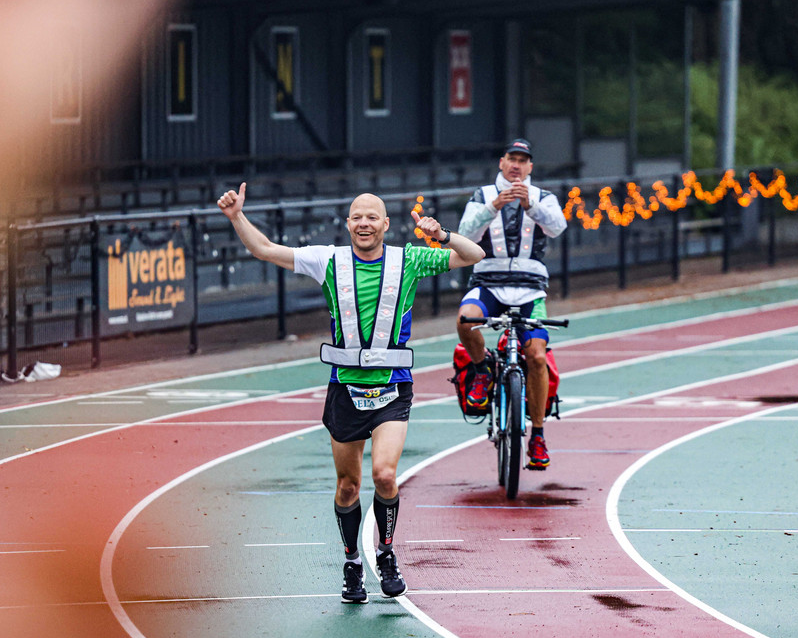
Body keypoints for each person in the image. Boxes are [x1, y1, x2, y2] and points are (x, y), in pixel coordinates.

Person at [217, 183, 483, 604]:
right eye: (357, 216)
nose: (364, 223)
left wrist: (442, 235)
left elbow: (473, 256)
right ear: (347, 224)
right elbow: (266, 249)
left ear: (386, 224)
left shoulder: (409, 259)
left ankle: (386, 552)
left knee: (385, 475)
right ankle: (352, 562)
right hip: (346, 389)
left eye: (372, 217)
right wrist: (236, 217)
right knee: (348, 487)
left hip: (393, 388)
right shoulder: (328, 260)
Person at [456, 138, 567, 470]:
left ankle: (537, 434)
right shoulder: (482, 195)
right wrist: (493, 207)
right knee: (466, 318)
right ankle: (480, 369)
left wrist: (530, 204)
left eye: (523, 160)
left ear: (530, 166)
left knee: (535, 356)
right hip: (488, 282)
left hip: (530, 288)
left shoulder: (544, 197)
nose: (517, 165)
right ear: (501, 162)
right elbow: (464, 234)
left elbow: (557, 227)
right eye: (512, 159)